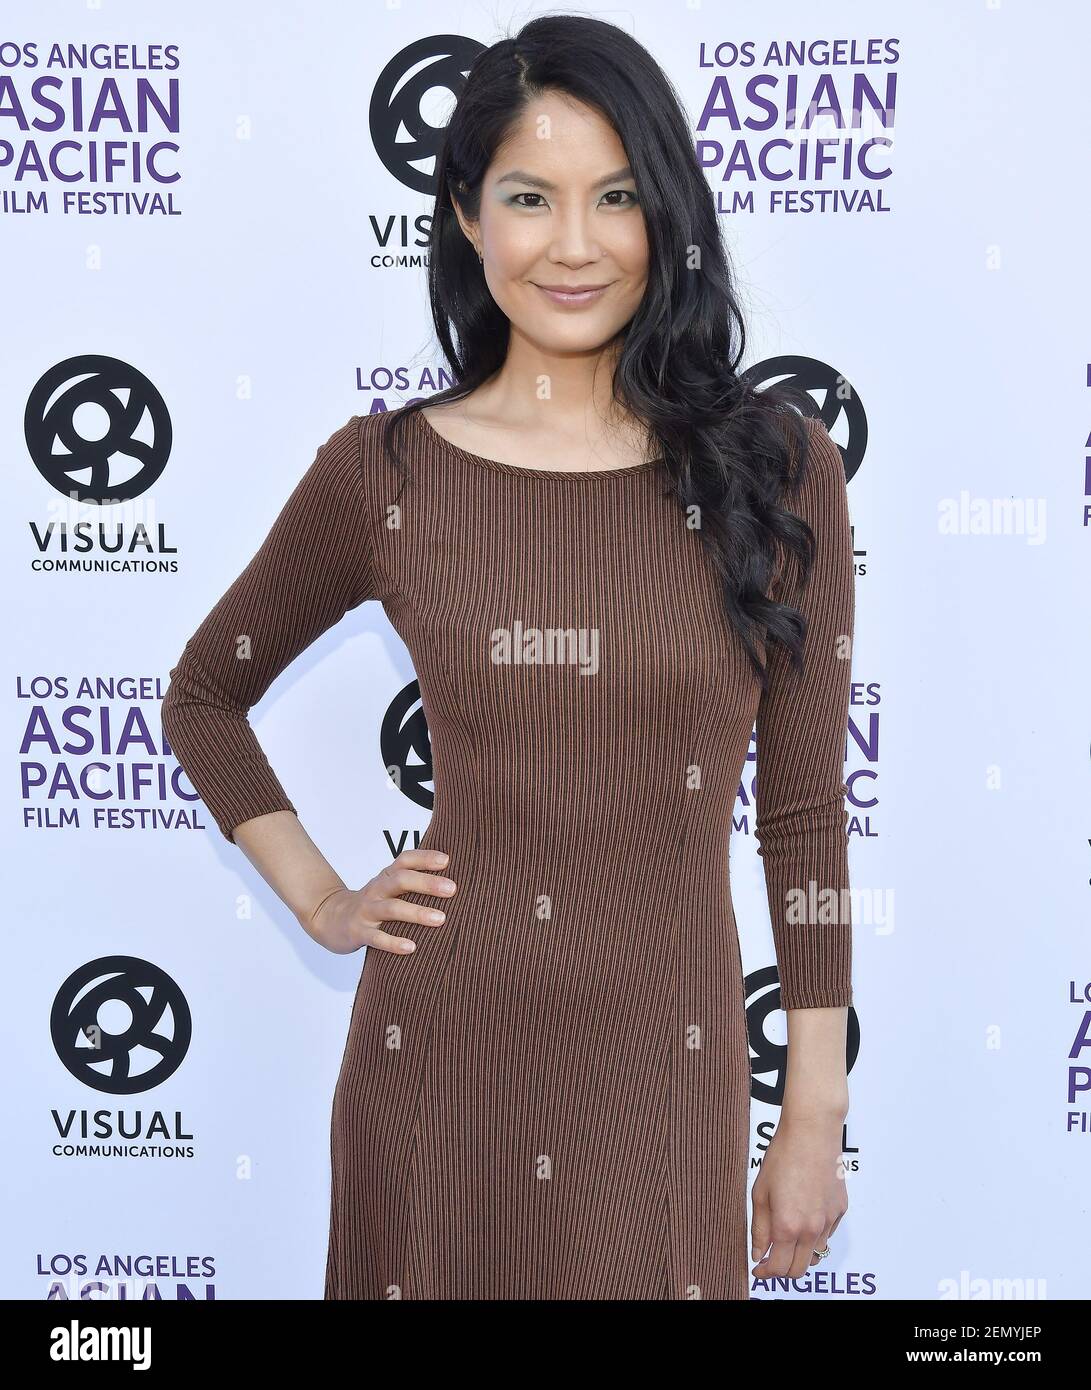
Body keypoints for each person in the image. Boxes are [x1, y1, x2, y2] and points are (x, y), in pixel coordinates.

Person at [161, 13, 855, 1300]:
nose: (575, 244)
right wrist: (323, 897)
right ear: (469, 218)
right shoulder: (385, 473)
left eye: (617, 198)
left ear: (670, 220)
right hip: (438, 1063)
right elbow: (205, 694)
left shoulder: (774, 468)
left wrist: (808, 1116)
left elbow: (805, 818)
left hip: (665, 1072)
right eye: (529, 198)